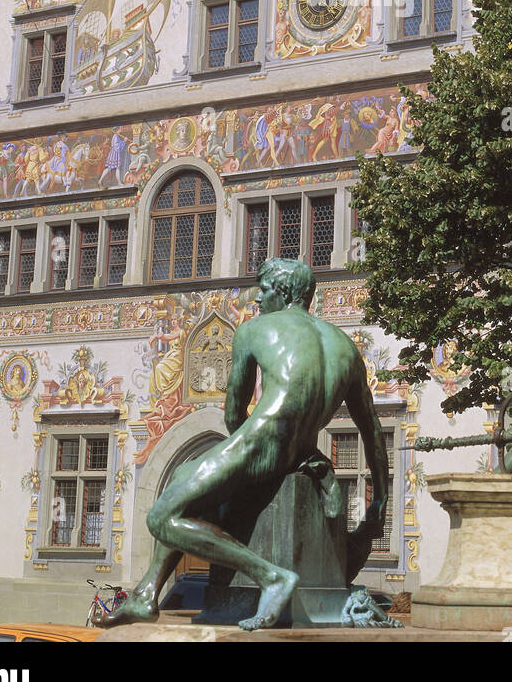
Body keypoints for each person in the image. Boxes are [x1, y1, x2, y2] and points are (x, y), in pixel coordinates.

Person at [103, 257, 388, 632]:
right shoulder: (346, 347)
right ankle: (146, 594)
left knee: (162, 517)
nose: (259, 299)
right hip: (293, 449)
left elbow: (234, 414)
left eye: (265, 290)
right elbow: (372, 430)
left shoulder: (254, 330)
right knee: (186, 483)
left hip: (259, 443)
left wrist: (244, 460)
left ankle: (270, 576)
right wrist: (380, 499)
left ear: (283, 292)